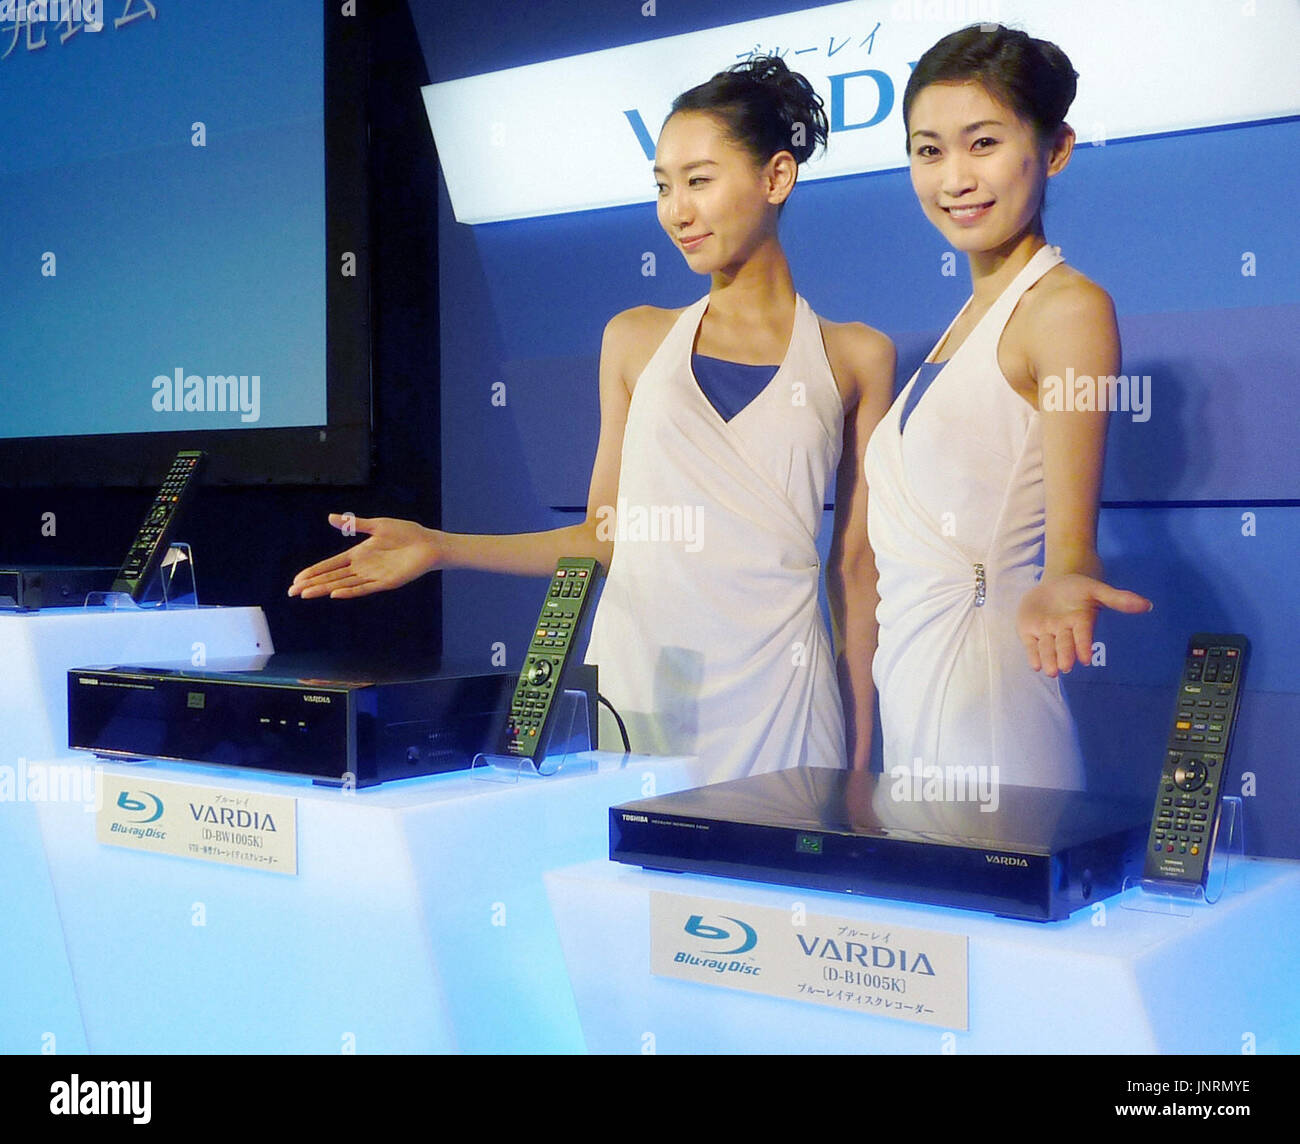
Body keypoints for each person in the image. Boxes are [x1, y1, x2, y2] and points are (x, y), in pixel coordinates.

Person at [289, 57, 895, 782]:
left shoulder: (857, 354)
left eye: (699, 181)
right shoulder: (635, 339)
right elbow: (600, 540)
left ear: (776, 178)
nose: (677, 211)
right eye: (664, 187)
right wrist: (439, 547)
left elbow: (856, 570)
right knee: (642, 878)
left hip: (785, 697)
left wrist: (864, 758)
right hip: (645, 684)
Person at [863, 24, 1152, 790]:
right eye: (929, 150)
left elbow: (1070, 540)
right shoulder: (961, 325)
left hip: (989, 702)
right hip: (917, 695)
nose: (954, 177)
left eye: (982, 143)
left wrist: (1068, 573)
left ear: (1055, 150)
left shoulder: (1066, 309)